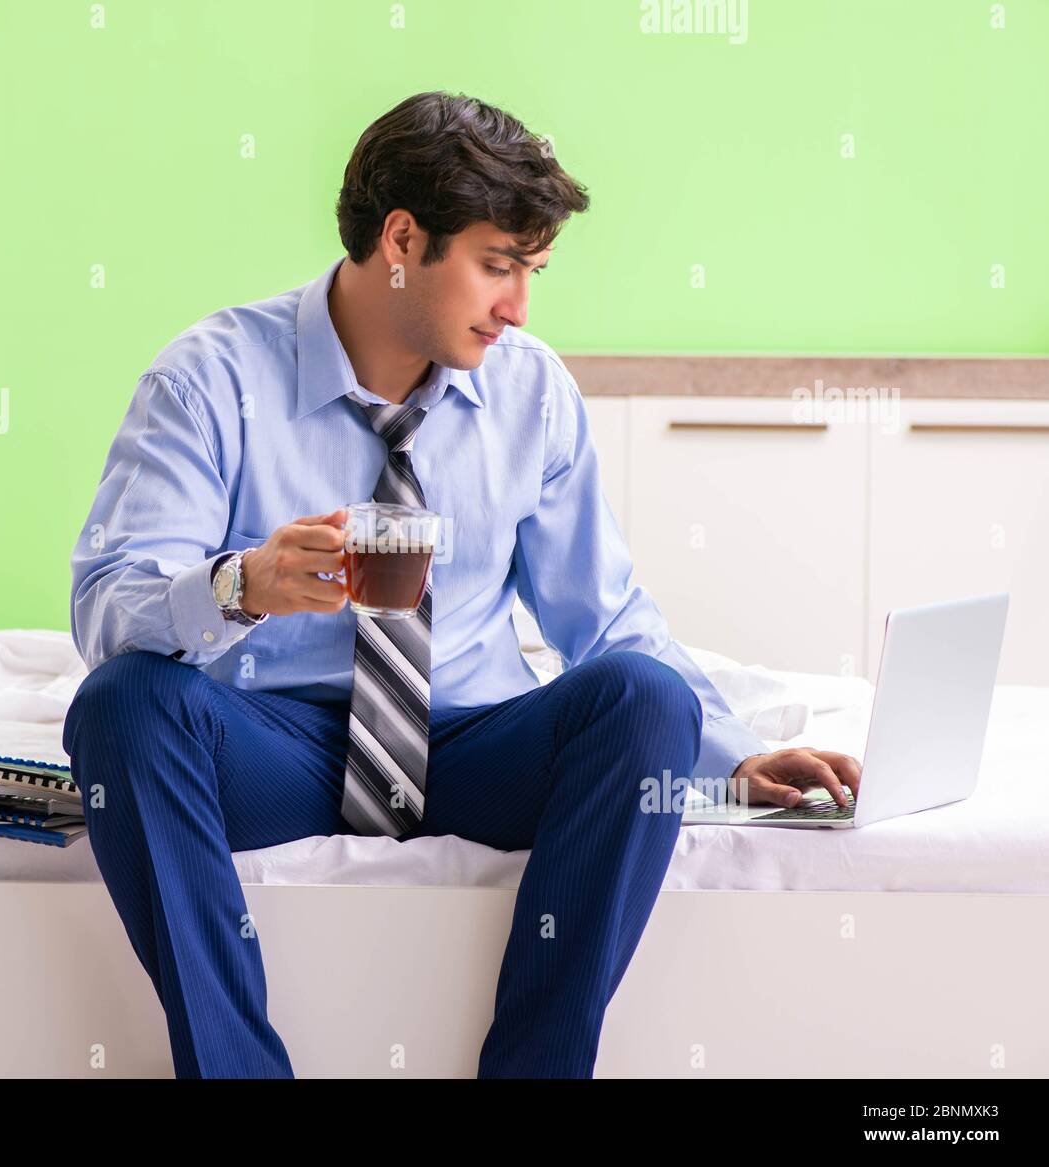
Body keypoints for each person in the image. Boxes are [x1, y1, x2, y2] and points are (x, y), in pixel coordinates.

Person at [63, 89, 862, 1078]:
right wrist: (241, 584)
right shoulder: (210, 377)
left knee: (644, 699)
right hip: (278, 746)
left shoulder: (530, 391)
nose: (518, 306)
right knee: (124, 705)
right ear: (401, 239)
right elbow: (106, 602)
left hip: (474, 745)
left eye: (531, 270)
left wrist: (732, 754)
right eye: (497, 266)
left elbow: (603, 618)